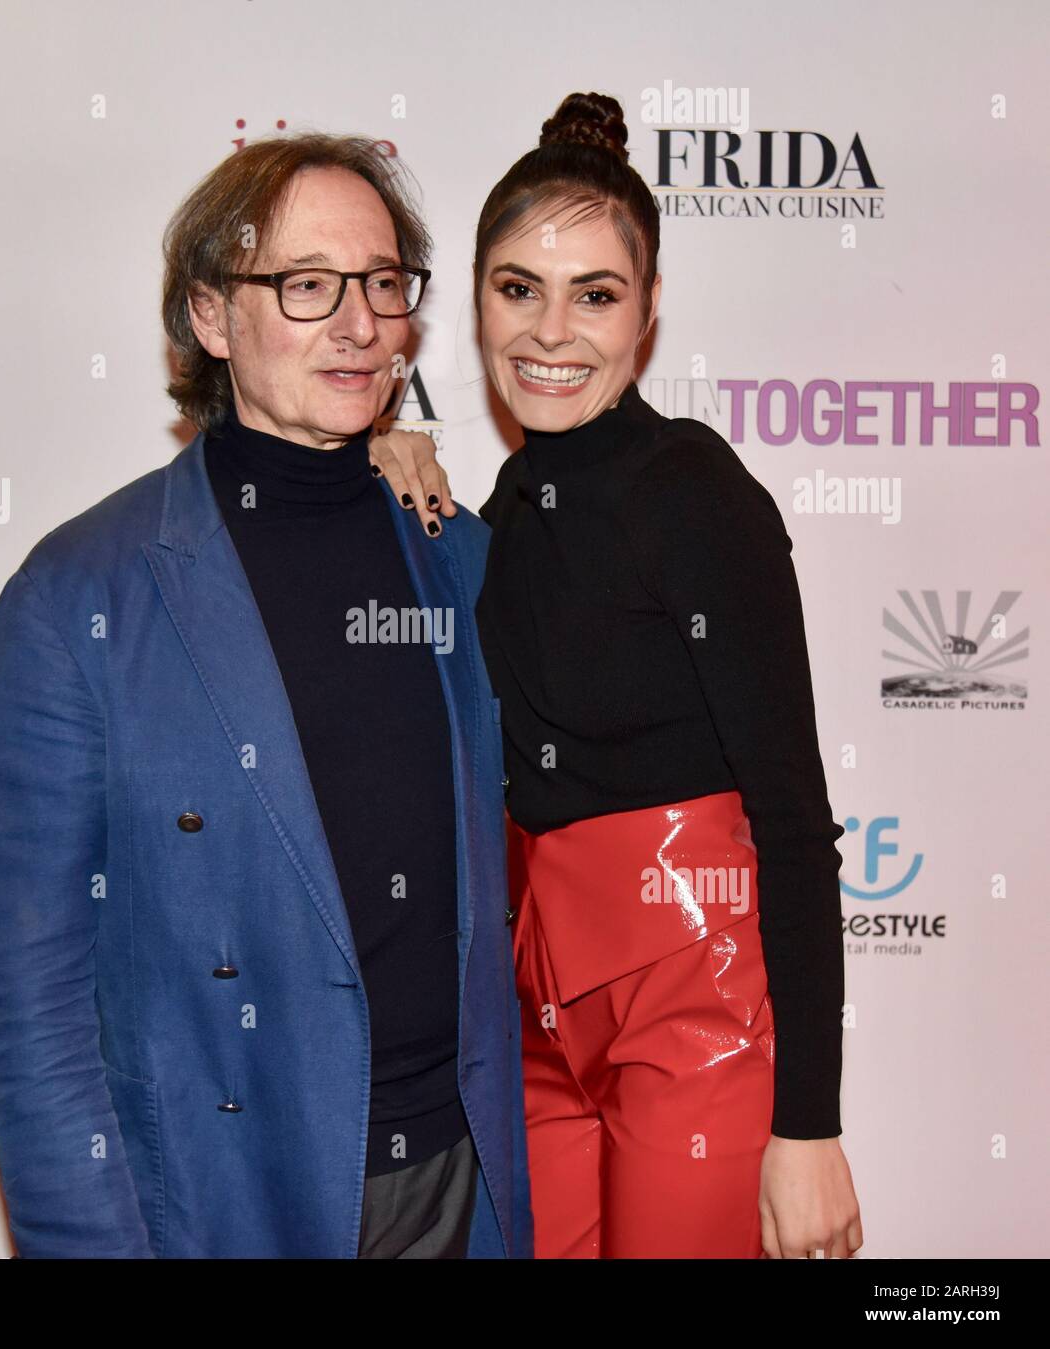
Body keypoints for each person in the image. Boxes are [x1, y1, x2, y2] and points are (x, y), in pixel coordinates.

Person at [0, 131, 533, 1259]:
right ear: (212, 318)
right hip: (223, 1205)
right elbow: (33, 1009)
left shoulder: (454, 555)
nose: (359, 322)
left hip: (465, 1187)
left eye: (381, 283)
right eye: (307, 285)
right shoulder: (80, 597)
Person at [369, 91, 863, 1259]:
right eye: (516, 289)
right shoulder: (496, 516)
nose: (551, 331)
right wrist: (373, 446)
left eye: (595, 294)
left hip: (692, 1002)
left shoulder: (693, 493)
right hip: (532, 1010)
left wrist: (809, 1131)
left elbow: (794, 821)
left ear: (644, 314)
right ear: (476, 304)